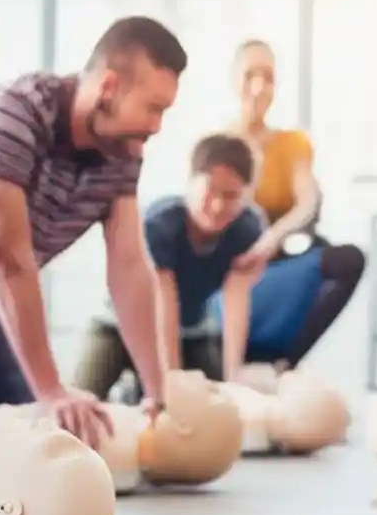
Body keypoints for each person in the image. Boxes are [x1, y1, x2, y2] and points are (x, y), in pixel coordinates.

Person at [0, 16, 186, 450]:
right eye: (154, 108)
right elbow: (8, 258)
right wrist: (51, 390)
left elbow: (129, 267)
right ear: (108, 86)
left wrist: (157, 394)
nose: (157, 126)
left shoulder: (122, 151)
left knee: (54, 450)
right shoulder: (14, 115)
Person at [74, 133, 266, 399]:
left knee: (215, 401)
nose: (219, 205)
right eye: (211, 191)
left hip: (193, 331)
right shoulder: (161, 224)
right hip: (121, 326)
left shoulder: (248, 227)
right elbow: (162, 305)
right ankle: (138, 390)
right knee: (82, 399)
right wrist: (169, 387)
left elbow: (236, 299)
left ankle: (138, 393)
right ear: (190, 183)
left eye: (231, 195)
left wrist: (233, 378)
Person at [220, 39, 365, 370]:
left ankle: (285, 364)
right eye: (250, 75)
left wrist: (272, 238)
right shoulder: (217, 146)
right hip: (230, 273)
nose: (259, 87)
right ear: (233, 80)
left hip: (275, 263)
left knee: (344, 259)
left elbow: (307, 201)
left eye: (268, 77)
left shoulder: (291, 144)